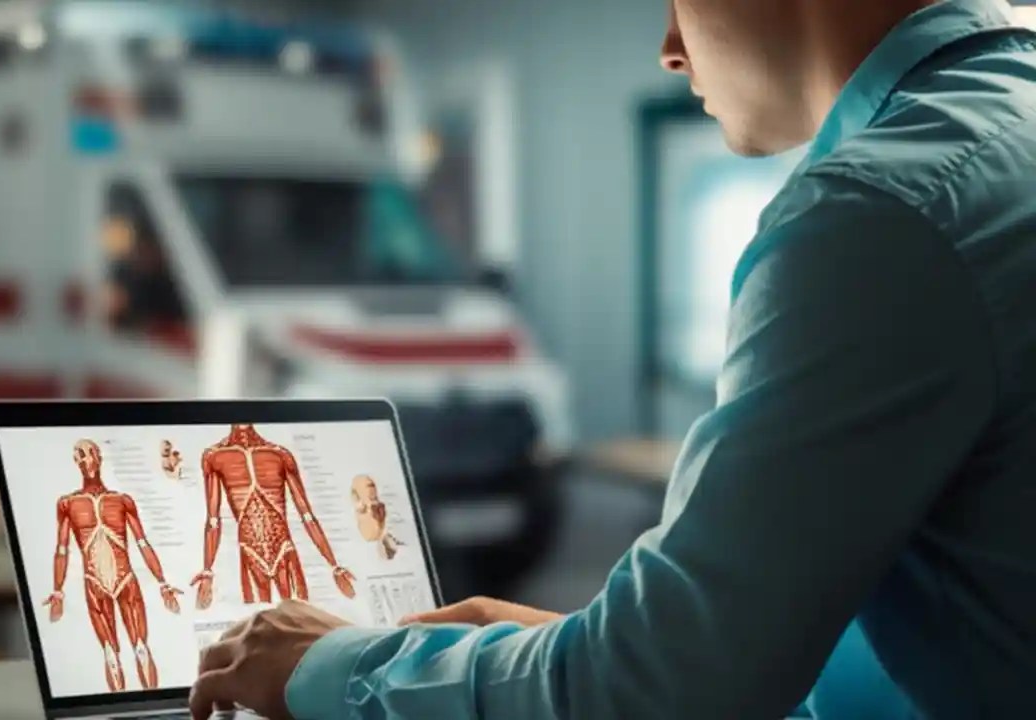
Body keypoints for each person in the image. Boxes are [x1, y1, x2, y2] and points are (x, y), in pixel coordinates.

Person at [188, 0, 1036, 717]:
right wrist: (584, 645)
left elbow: (669, 692)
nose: (670, 47)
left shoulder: (878, 212)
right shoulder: (1003, 132)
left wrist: (328, 671)